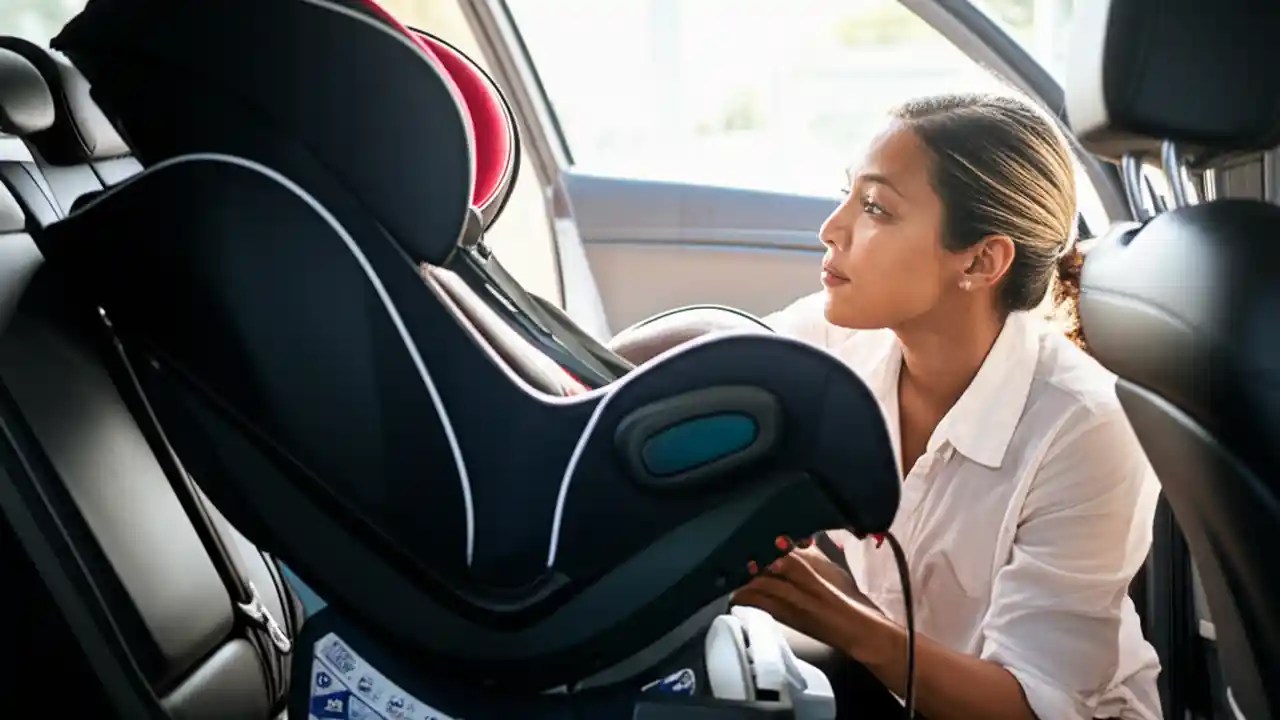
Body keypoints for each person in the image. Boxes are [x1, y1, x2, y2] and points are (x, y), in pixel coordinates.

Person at [728, 93, 1163, 720]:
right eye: (848, 193)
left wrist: (827, 610)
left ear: (982, 260)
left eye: (874, 207)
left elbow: (1030, 703)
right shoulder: (840, 342)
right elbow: (711, 369)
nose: (832, 227)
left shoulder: (1084, 428)